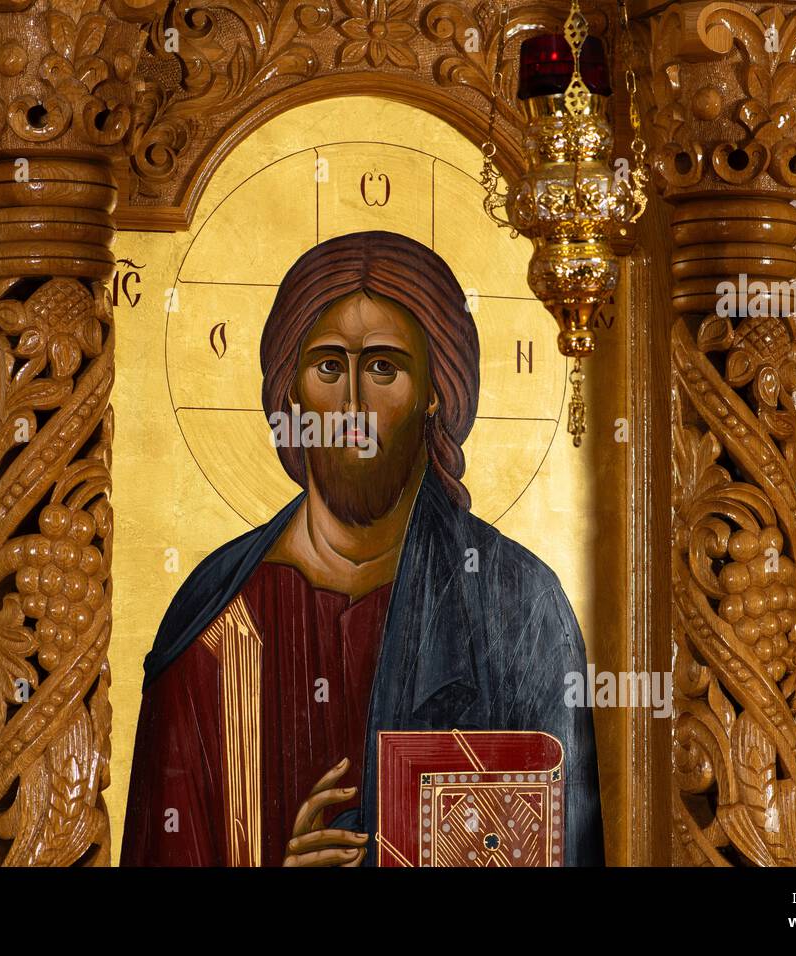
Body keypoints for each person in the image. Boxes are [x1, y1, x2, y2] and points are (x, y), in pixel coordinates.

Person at [121, 230, 602, 866]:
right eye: (328, 367)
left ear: (434, 391)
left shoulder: (517, 609)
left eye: (383, 368)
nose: (351, 404)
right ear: (290, 393)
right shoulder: (211, 630)